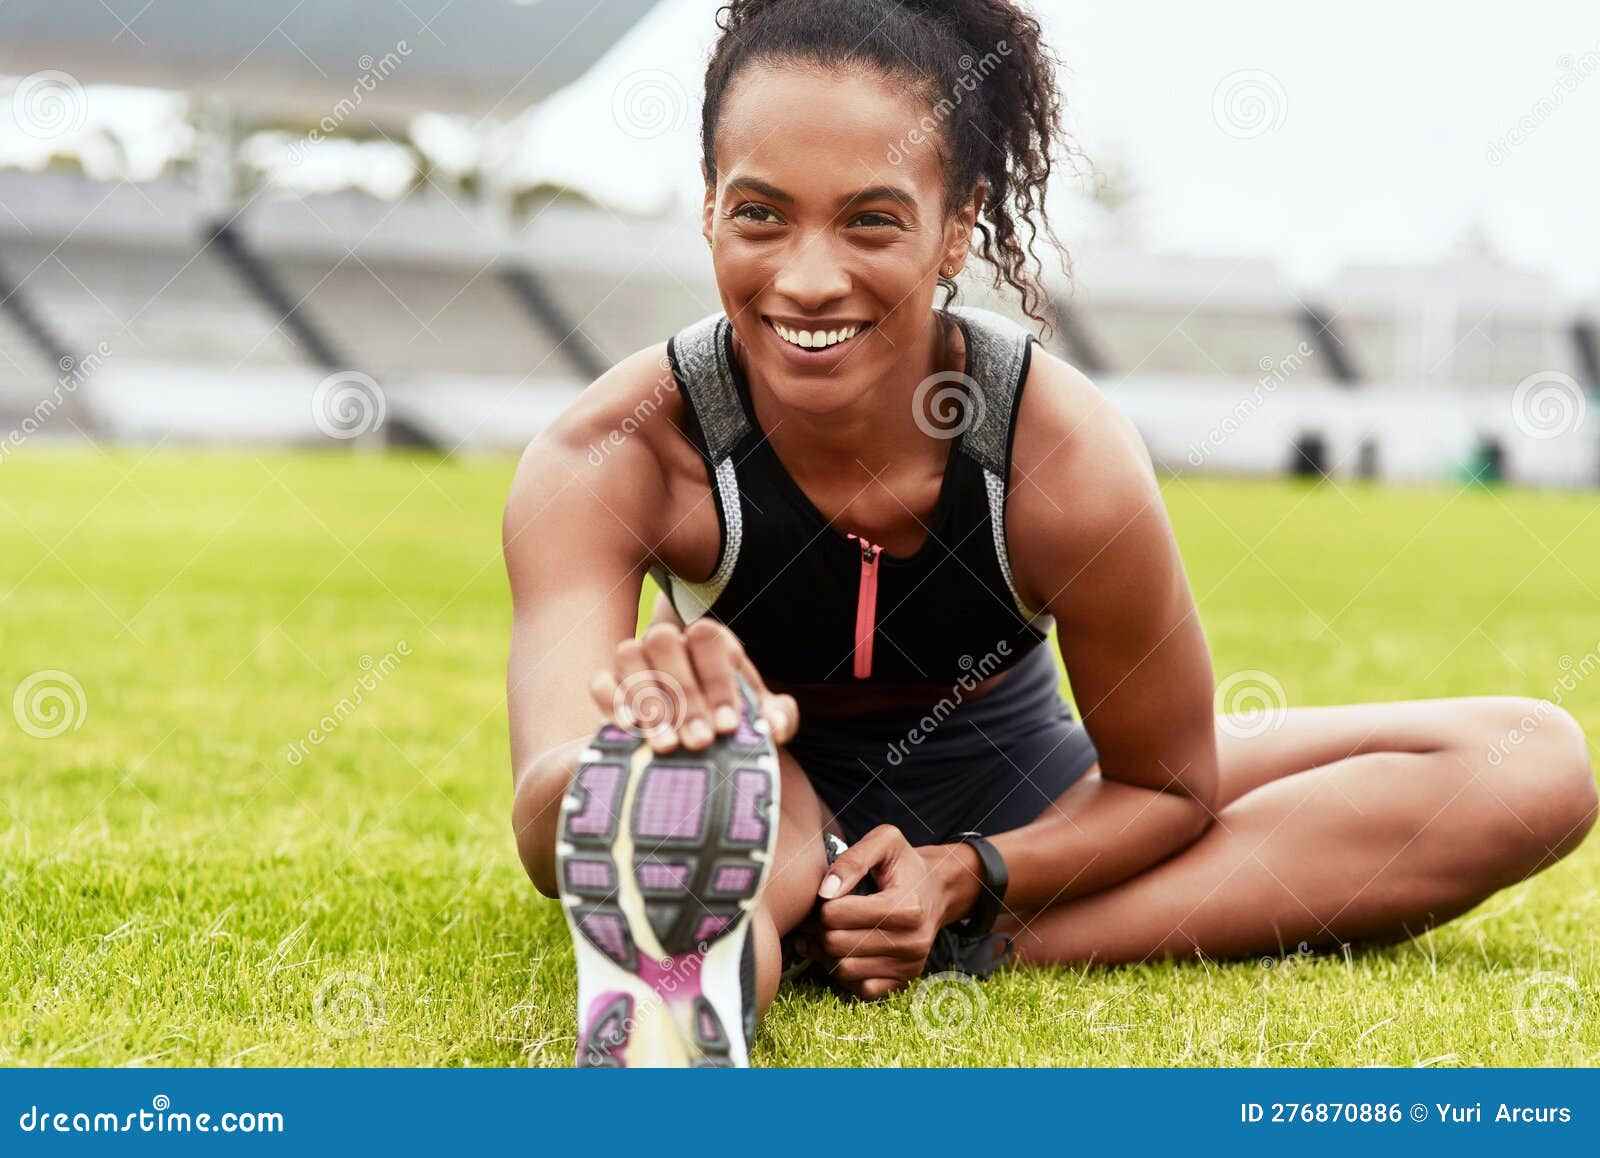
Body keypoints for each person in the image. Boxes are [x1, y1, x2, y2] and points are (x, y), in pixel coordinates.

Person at [503, 0, 1597, 1067]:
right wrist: (635, 763)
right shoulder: (614, 452)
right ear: (705, 207)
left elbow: (1169, 788)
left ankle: (952, 944)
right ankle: (704, 965)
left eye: (871, 219)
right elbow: (541, 816)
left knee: (1531, 763)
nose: (806, 275)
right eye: (760, 214)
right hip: (764, 791)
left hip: (1024, 802)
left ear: (956, 226)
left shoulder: (1059, 451)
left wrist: (969, 876)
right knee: (730, 831)